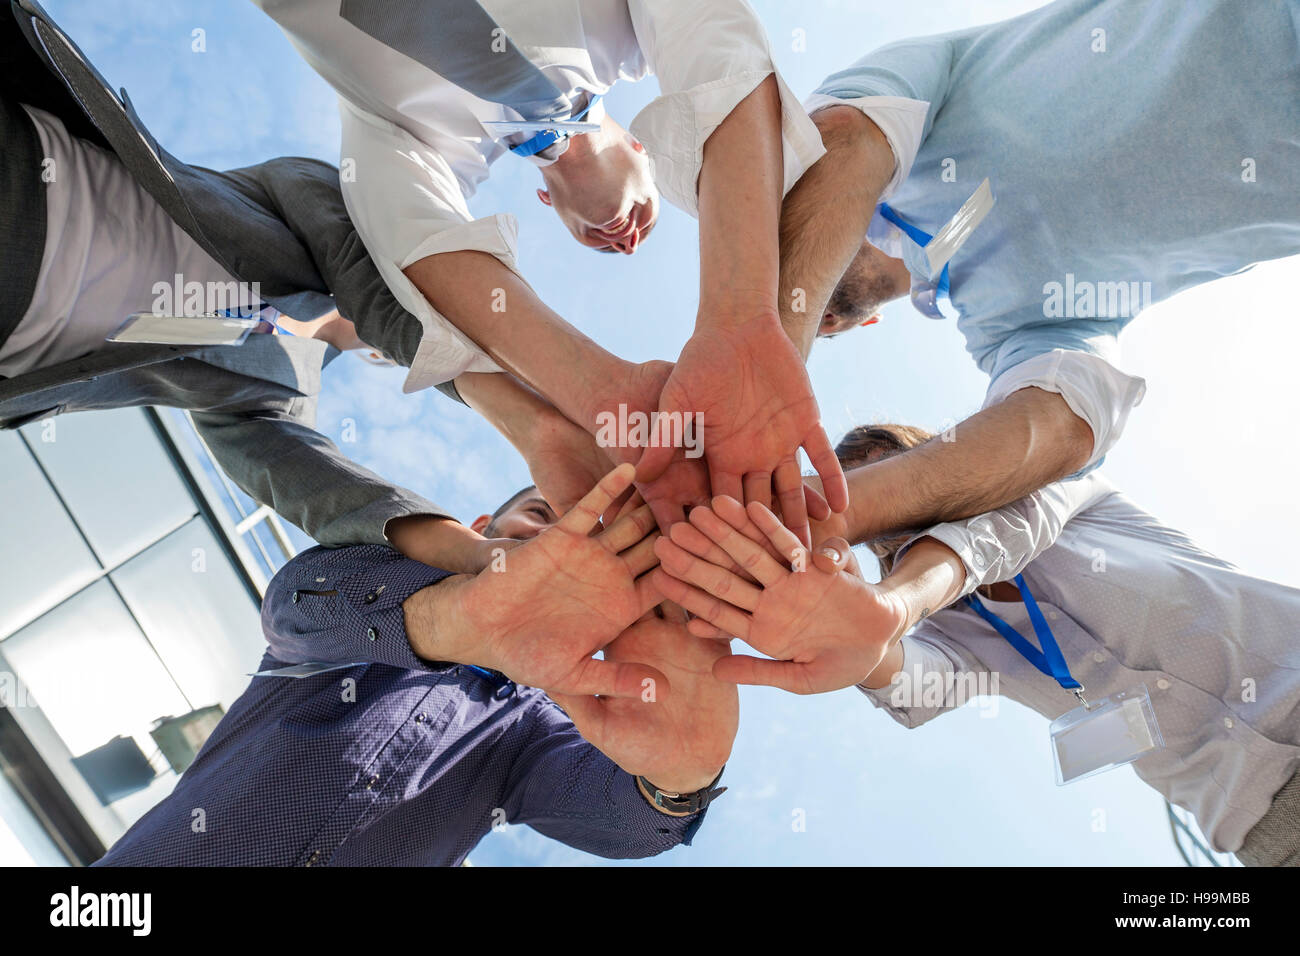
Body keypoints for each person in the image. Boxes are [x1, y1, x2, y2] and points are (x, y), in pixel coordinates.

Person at [1, 0, 626, 573]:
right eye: (440, 325)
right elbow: (379, 294)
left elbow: (314, 491)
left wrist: (483, 557)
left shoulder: (275, 394)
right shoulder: (310, 196)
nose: (417, 338)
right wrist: (532, 423)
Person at [252, 0, 849, 540]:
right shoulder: (617, 27)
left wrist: (599, 392)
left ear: (554, 209)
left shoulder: (397, 134)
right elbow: (722, 59)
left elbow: (414, 246)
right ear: (643, 149)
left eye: (615, 248)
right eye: (650, 219)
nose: (628, 241)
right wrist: (741, 314)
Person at [651, 424, 1300, 866]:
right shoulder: (954, 636)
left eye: (902, 481)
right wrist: (860, 646)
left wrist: (893, 604)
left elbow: (1000, 532)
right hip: (1263, 828)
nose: (898, 512)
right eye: (873, 516)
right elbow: (913, 680)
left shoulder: (1064, 488)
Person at [774, 0, 1299, 545]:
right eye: (821, 329)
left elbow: (848, 133)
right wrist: (816, 515)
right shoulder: (1009, 329)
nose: (809, 313)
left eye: (796, 296)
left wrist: (770, 348)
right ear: (865, 326)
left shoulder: (925, 85)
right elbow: (1067, 419)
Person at [93, 466, 735, 866]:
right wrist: (457, 618)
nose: (557, 545)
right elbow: (300, 602)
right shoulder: (371, 616)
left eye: (592, 543)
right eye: (541, 514)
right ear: (485, 525)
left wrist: (678, 777)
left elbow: (616, 820)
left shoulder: (533, 735)